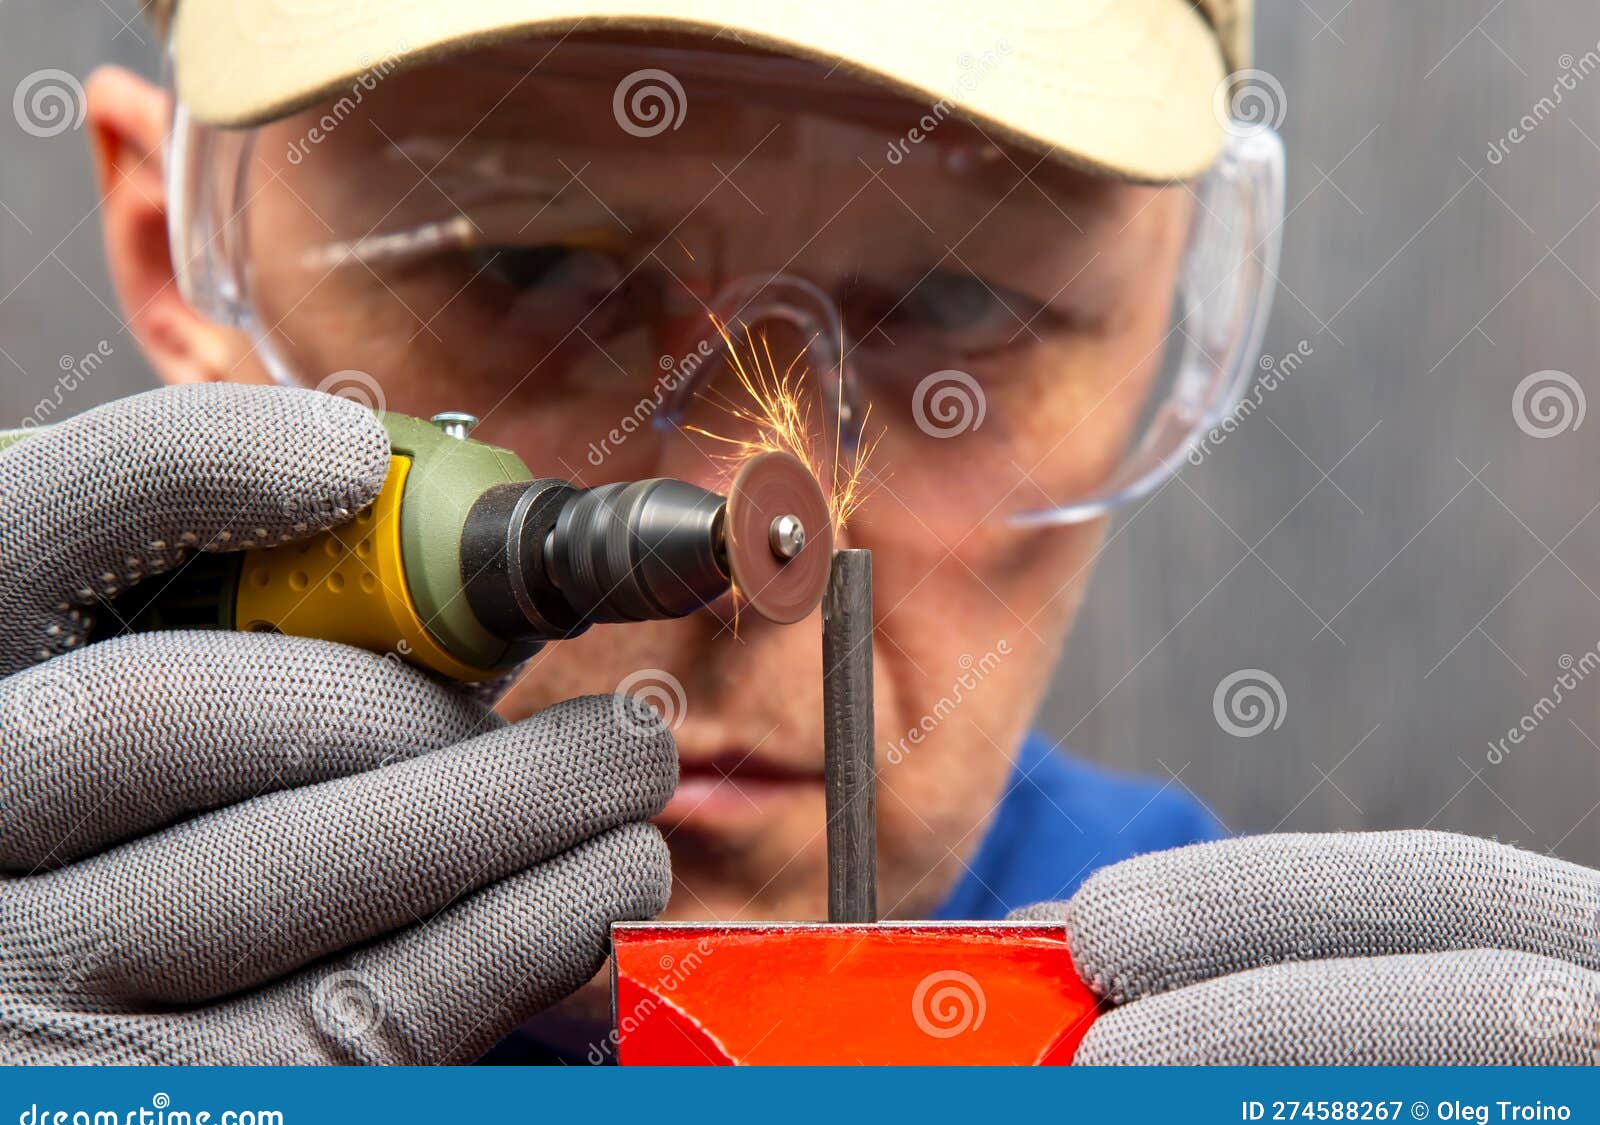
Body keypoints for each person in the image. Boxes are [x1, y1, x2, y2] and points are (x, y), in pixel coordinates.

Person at [0, 0, 1593, 1066]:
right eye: (527, 272)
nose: (747, 561)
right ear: (173, 254)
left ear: (1172, 312)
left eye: (957, 304)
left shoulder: (1258, 1035)